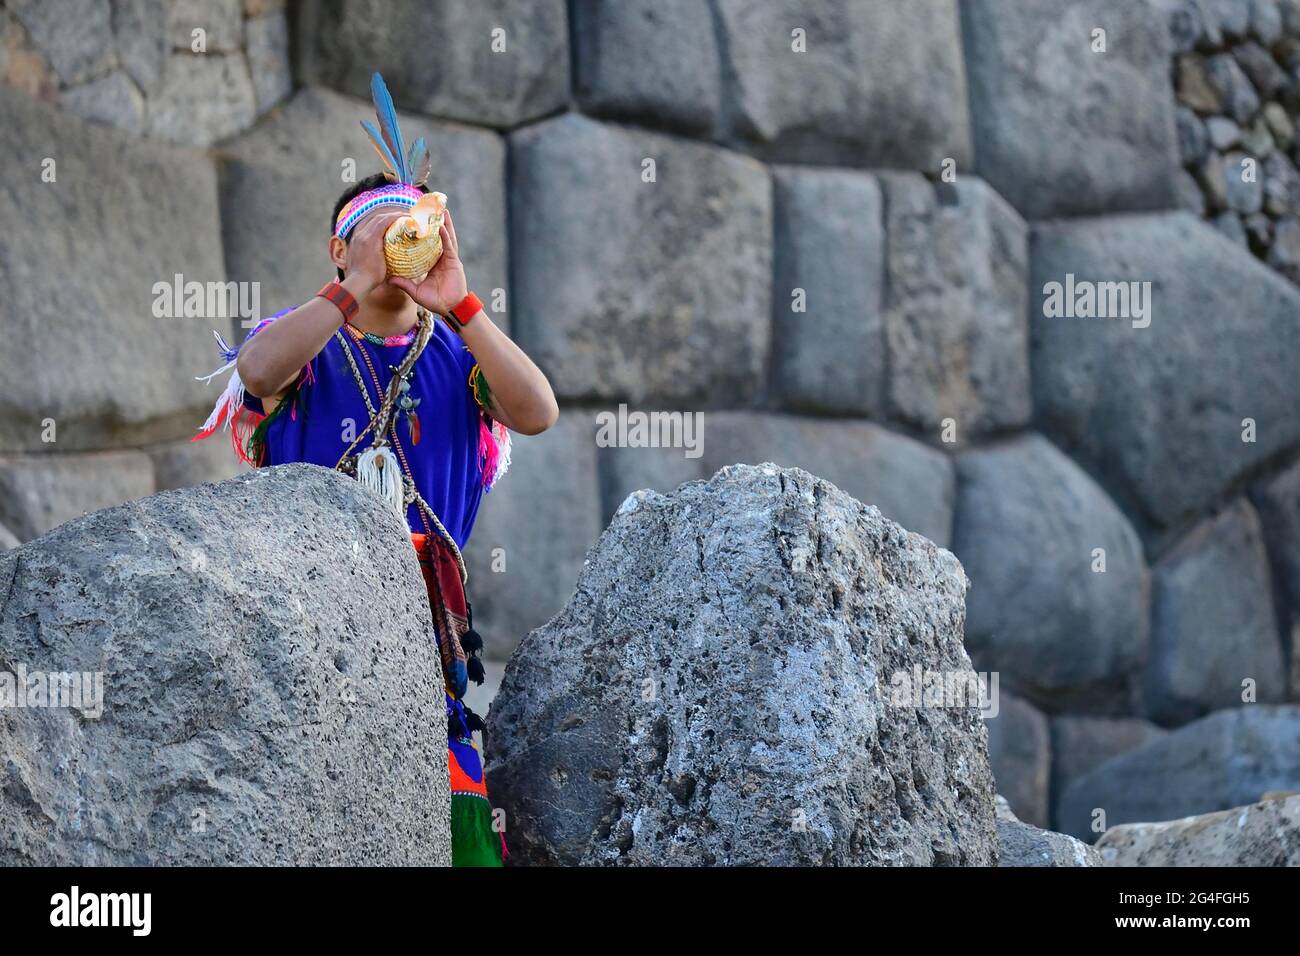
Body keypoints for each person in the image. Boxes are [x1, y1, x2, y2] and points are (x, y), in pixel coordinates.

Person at [195, 74, 558, 866]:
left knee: (446, 820)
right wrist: (349, 290)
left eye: (417, 230)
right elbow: (257, 372)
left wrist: (462, 304)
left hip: (423, 643)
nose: (403, 245)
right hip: (299, 626)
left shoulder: (462, 354)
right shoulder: (306, 343)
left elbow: (538, 410)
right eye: (382, 230)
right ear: (338, 247)